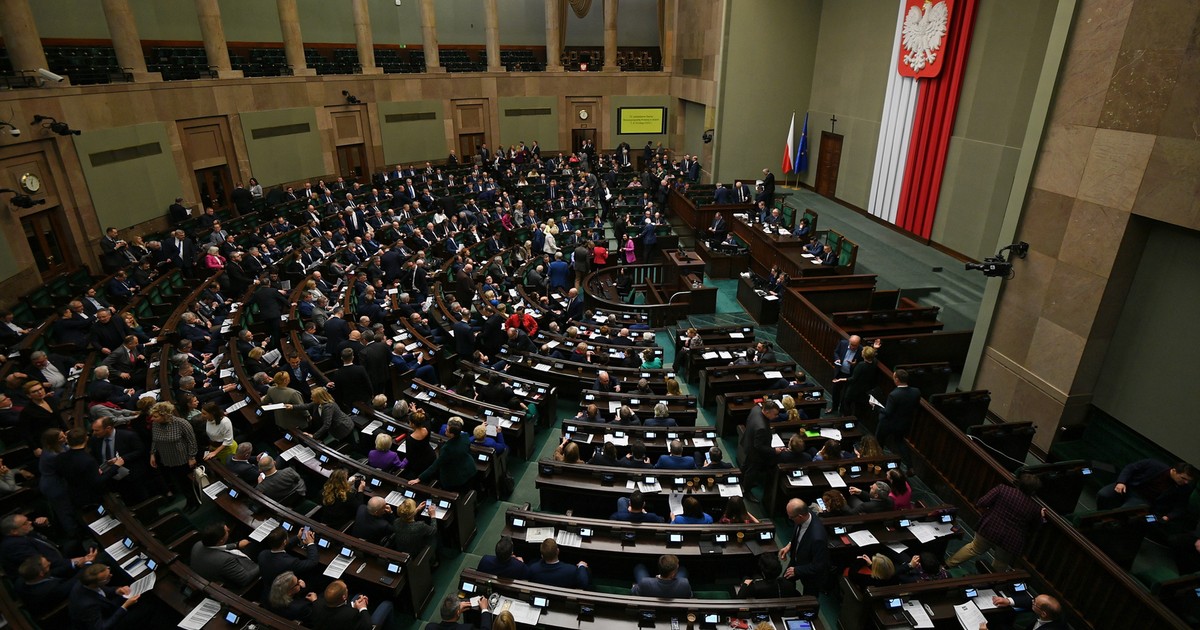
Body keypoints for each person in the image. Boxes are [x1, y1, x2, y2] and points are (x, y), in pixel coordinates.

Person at [945, 473, 1046, 572]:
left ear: (1019, 483)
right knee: (1001, 562)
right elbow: (1036, 527)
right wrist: (1042, 516)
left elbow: (982, 502)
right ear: (1033, 491)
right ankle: (990, 583)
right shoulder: (1035, 508)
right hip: (1010, 540)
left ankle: (946, 565)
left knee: (973, 548)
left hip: (990, 527)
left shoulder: (1003, 489)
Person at [1095, 460, 1196, 520]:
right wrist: (1121, 482)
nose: (1186, 482)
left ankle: (1108, 524)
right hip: (1129, 487)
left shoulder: (1183, 488)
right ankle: (1098, 516)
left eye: (1188, 480)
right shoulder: (1154, 465)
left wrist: (1169, 516)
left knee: (1122, 512)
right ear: (1174, 471)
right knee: (1103, 494)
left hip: (1143, 499)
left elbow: (1181, 506)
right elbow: (1130, 468)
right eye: (1183, 478)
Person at [148, 402, 200, 511]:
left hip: (183, 459)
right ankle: (189, 501)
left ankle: (196, 501)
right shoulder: (156, 424)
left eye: (155, 416)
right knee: (179, 483)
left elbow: (192, 442)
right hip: (167, 459)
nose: (152, 419)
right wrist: (152, 453)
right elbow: (155, 440)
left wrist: (192, 457)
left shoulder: (181, 423)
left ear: (165, 415)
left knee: (188, 483)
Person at [778, 499, 830, 595]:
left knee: (808, 601)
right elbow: (799, 534)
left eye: (791, 517)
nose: (789, 518)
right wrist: (790, 545)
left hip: (811, 575)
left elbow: (819, 566)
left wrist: (797, 570)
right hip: (797, 560)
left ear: (800, 516)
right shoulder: (805, 513)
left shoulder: (818, 538)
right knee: (784, 584)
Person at [257, 526, 319, 605]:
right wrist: (311, 543)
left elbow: (279, 548)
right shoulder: (290, 562)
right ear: (285, 541)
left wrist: (297, 537)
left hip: (267, 591)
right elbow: (313, 562)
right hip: (284, 595)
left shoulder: (262, 554)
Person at [412, 416, 475, 492]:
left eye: (447, 430)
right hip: (468, 467)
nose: (445, 430)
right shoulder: (465, 436)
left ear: (452, 434)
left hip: (455, 475)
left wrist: (419, 478)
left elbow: (436, 465)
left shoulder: (447, 449)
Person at [190, 523, 260, 588]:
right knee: (258, 546)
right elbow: (245, 579)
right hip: (242, 581)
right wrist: (265, 564)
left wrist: (236, 544)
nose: (229, 530)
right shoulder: (225, 560)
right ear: (221, 540)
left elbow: (219, 547)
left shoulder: (198, 544)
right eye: (227, 531)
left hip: (219, 569)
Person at [875, 369, 921, 461]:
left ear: (897, 379)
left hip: (889, 423)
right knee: (900, 443)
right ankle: (909, 466)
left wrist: (876, 407)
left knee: (879, 440)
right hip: (904, 423)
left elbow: (888, 412)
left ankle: (878, 460)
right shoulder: (916, 391)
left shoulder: (894, 395)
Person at [312, 579, 394, 629]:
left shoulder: (317, 604)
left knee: (358, 595)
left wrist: (353, 606)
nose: (347, 589)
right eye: (346, 589)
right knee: (387, 604)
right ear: (344, 597)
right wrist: (362, 608)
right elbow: (368, 627)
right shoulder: (351, 615)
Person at [981, 593, 1067, 630]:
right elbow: (1029, 601)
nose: (1032, 602)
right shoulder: (1055, 613)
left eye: (1034, 603)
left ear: (1043, 614)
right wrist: (1008, 601)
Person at [427, 595, 492, 630]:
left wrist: (458, 609)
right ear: (458, 613)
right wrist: (484, 609)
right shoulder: (466, 628)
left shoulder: (430, 627)